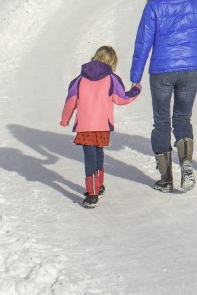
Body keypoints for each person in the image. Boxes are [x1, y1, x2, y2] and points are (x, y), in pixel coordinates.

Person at [131, 0, 197, 193]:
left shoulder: (153, 6)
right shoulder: (196, 2)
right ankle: (186, 162)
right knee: (182, 118)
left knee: (161, 121)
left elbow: (143, 42)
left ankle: (166, 178)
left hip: (161, 70)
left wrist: (135, 75)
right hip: (190, 68)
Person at [60, 45, 141, 208]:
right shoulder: (112, 78)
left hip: (85, 125)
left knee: (90, 156)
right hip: (102, 125)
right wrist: (136, 89)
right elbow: (121, 98)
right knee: (98, 152)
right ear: (111, 62)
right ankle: (97, 188)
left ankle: (92, 192)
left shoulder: (80, 79)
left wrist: (65, 119)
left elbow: (71, 100)